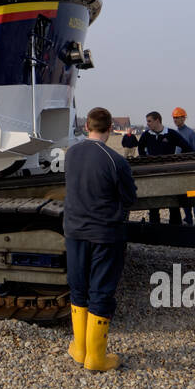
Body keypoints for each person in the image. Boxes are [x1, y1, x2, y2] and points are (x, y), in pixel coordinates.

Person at [62, 106, 137, 372]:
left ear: (87, 127)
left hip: (74, 230)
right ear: (110, 129)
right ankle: (96, 357)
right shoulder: (115, 161)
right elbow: (130, 197)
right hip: (105, 234)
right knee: (101, 291)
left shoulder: (72, 154)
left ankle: (79, 349)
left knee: (78, 287)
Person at [138, 111, 192, 225]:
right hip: (152, 174)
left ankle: (175, 228)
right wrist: (145, 161)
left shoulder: (171, 134)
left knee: (172, 202)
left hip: (169, 174)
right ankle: (154, 229)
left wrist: (178, 161)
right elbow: (141, 149)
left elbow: (187, 148)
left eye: (149, 121)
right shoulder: (146, 135)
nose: (147, 124)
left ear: (157, 120)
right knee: (153, 203)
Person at [172, 108, 195, 226]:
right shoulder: (175, 134)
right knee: (184, 195)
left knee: (194, 194)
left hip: (191, 171)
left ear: (183, 118)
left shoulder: (190, 133)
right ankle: (188, 219)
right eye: (174, 118)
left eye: (178, 117)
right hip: (180, 172)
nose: (175, 120)